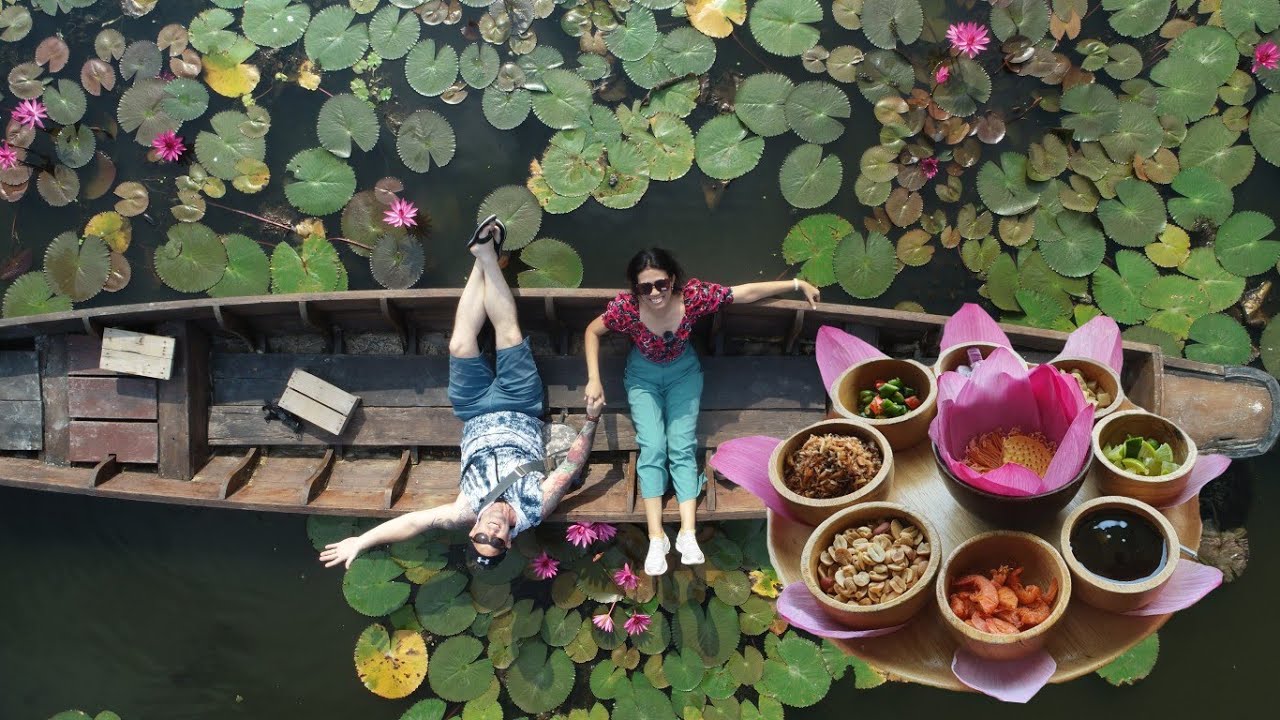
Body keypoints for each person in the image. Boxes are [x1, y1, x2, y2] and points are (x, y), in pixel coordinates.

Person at [320, 217, 604, 573]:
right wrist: (591, 420)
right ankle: (485, 256)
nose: (491, 533)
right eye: (496, 543)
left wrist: (361, 541)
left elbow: (414, 523)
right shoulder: (534, 508)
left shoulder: (463, 511)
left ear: (472, 532)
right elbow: (570, 465)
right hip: (520, 407)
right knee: (509, 334)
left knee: (459, 344)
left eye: (481, 538)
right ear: (508, 542)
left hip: (473, 409)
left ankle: (483, 257)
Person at [583, 249, 820, 575]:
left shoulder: (693, 298)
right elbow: (592, 331)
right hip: (642, 378)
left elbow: (743, 293)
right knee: (652, 446)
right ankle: (656, 538)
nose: (655, 293)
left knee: (681, 446)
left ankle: (687, 533)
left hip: (683, 374)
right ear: (636, 289)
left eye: (661, 284)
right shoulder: (628, 308)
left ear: (672, 280)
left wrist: (796, 284)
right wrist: (594, 379)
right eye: (645, 287)